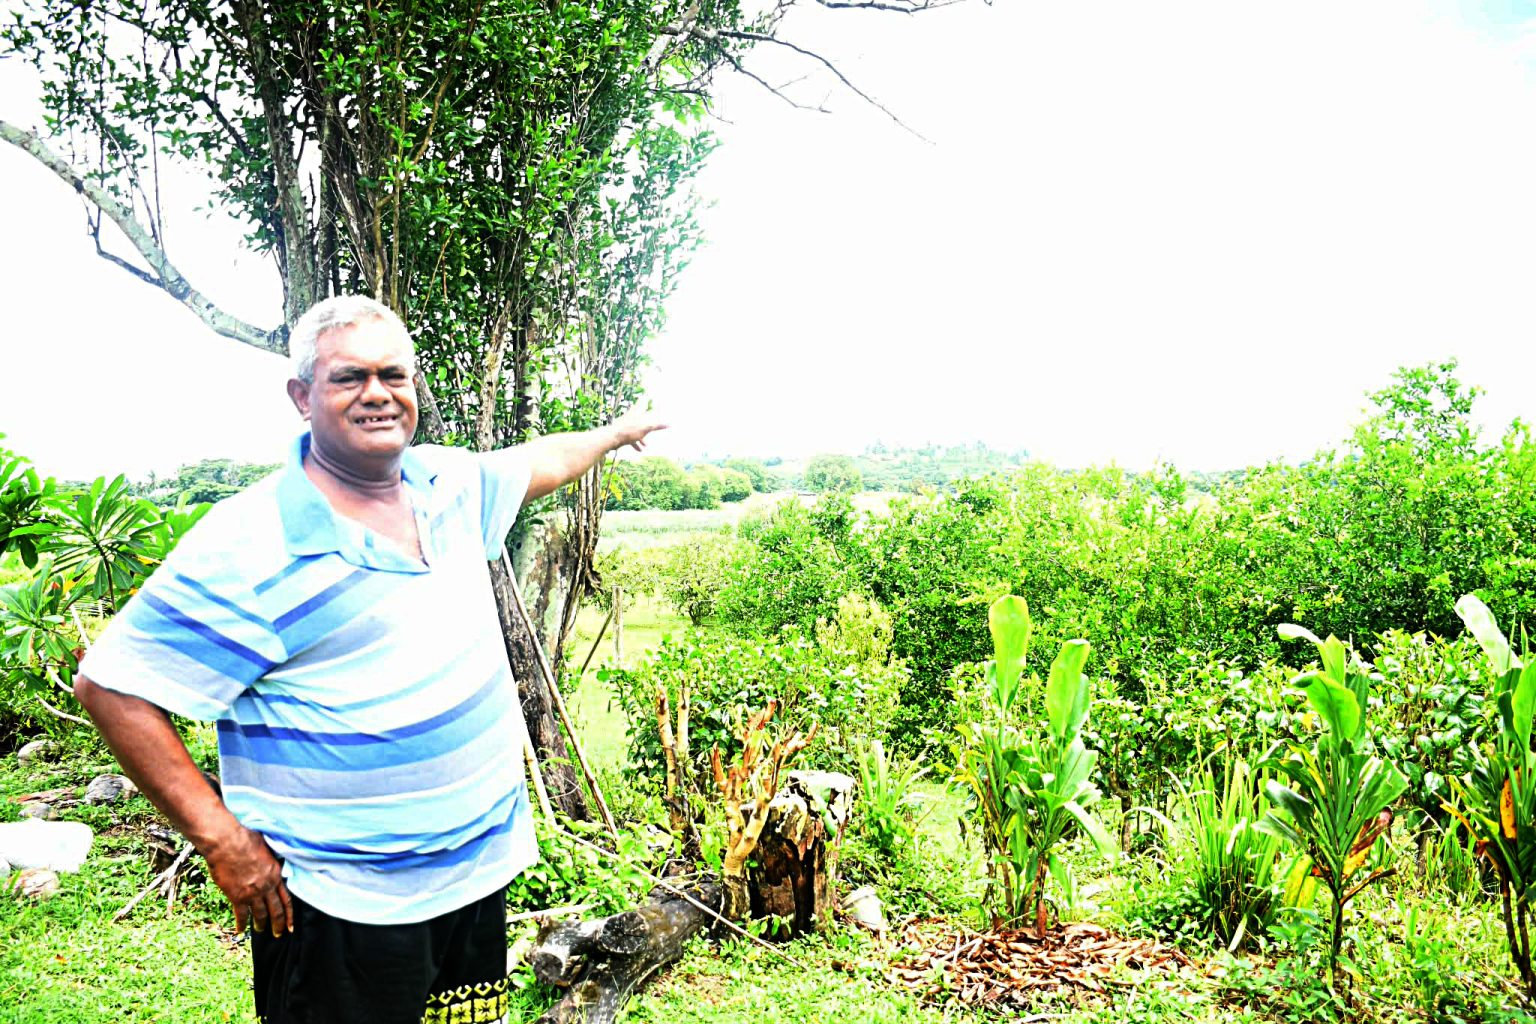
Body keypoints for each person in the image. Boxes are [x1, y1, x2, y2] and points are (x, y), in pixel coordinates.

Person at [73, 294, 665, 1024]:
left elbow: (539, 461)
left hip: (475, 875)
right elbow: (112, 687)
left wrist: (613, 433)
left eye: (394, 374)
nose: (379, 394)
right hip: (341, 908)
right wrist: (221, 839)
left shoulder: (447, 485)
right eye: (350, 377)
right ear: (301, 397)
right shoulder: (247, 544)